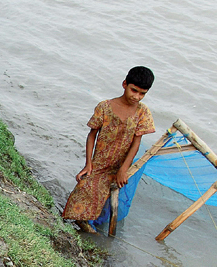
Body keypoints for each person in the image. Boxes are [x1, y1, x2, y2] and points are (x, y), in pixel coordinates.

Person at [61, 66, 155, 232]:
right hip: (100, 161)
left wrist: (123, 169)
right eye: (134, 90)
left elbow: (136, 143)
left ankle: (98, 227)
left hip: (121, 164)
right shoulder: (104, 107)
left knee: (109, 200)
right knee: (83, 190)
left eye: (142, 93)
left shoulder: (143, 112)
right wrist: (88, 163)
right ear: (124, 84)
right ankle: (81, 224)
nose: (136, 96)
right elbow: (92, 135)